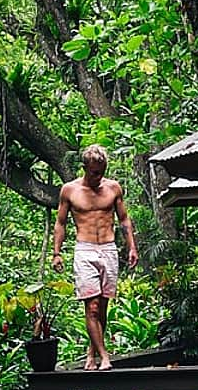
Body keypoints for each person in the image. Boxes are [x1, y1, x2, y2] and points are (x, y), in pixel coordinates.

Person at [52, 144, 138, 370]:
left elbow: (124, 219)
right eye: (93, 172)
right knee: (91, 306)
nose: (98, 176)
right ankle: (104, 356)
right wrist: (57, 253)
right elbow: (60, 223)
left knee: (102, 308)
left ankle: (92, 354)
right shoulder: (70, 190)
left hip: (108, 248)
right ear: (84, 168)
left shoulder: (113, 188)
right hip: (85, 250)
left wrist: (132, 247)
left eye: (102, 171)